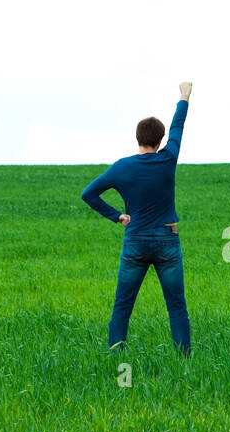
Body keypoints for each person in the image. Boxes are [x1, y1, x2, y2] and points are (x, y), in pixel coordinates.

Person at [81, 82, 193, 354]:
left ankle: (115, 354)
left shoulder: (122, 167)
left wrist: (117, 216)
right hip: (168, 238)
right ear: (159, 140)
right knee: (176, 305)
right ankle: (185, 359)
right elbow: (178, 128)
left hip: (136, 241)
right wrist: (184, 96)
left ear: (138, 139)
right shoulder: (168, 158)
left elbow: (89, 194)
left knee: (123, 304)